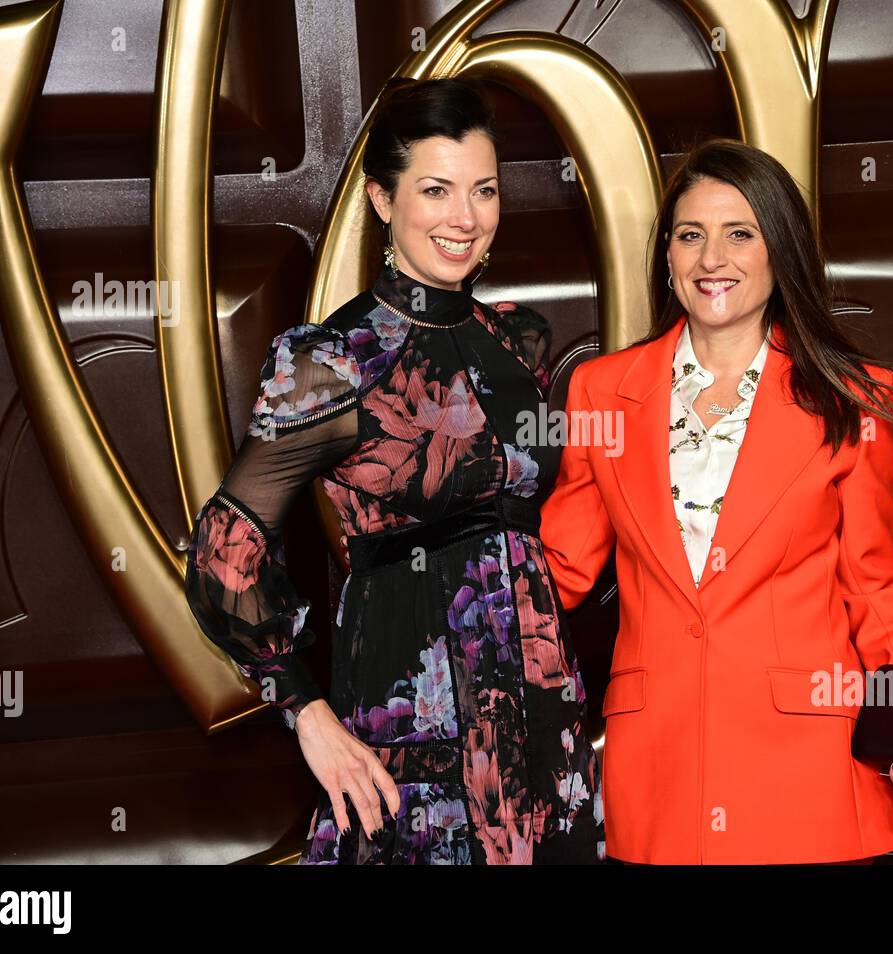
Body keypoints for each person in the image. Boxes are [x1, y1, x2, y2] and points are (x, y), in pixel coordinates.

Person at [184, 78, 603, 865]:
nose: (465, 217)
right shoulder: (334, 363)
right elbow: (220, 558)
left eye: (484, 190)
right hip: (416, 720)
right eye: (436, 190)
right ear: (382, 199)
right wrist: (309, 715)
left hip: (542, 715)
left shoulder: (520, 343)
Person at [538, 138, 893, 865]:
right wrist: (426, 586)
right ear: (667, 254)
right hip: (658, 768)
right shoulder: (600, 393)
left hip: (809, 761)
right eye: (690, 235)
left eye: (740, 234)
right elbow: (558, 572)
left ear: (779, 251)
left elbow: (872, 587)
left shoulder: (851, 396)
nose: (712, 259)